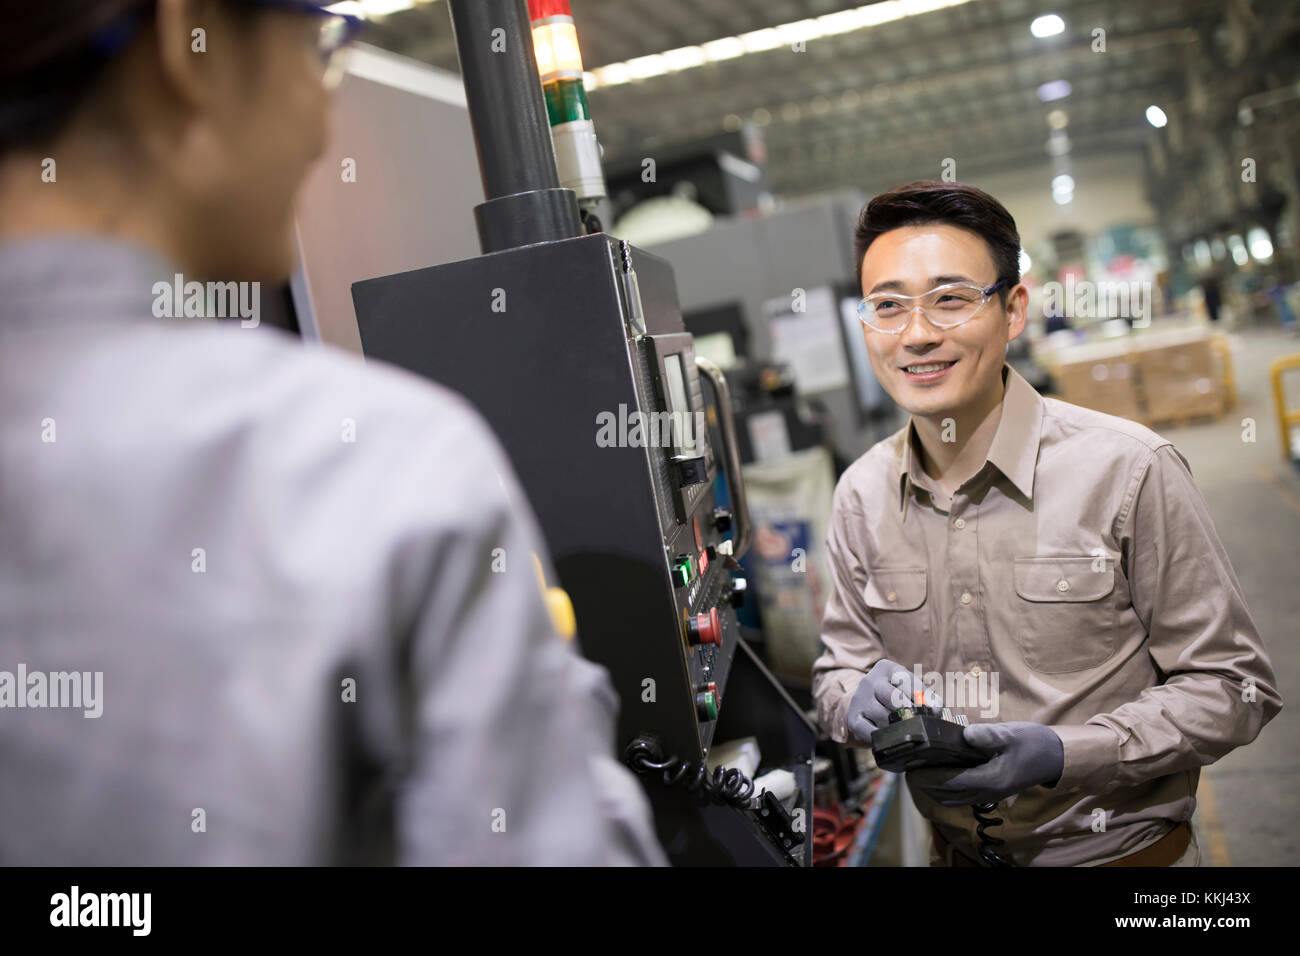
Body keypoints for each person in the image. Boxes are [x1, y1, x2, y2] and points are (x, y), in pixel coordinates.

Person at [0, 0, 666, 865]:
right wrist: (539, 686)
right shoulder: (371, 467)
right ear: (188, 41)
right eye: (319, 44)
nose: (321, 123)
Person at [812, 180, 1281, 867]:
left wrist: (1069, 753)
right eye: (888, 306)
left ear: (1014, 310)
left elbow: (1234, 687)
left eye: (950, 298)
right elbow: (835, 672)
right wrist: (855, 699)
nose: (917, 334)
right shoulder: (861, 495)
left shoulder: (1128, 471)